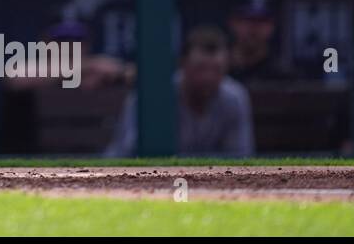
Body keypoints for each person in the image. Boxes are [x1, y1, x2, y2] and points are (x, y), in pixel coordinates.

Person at [104, 25, 255, 157]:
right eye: (201, 69)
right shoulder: (155, 94)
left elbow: (240, 156)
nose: (208, 78)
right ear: (183, 64)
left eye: (216, 70)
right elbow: (128, 153)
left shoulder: (234, 98)